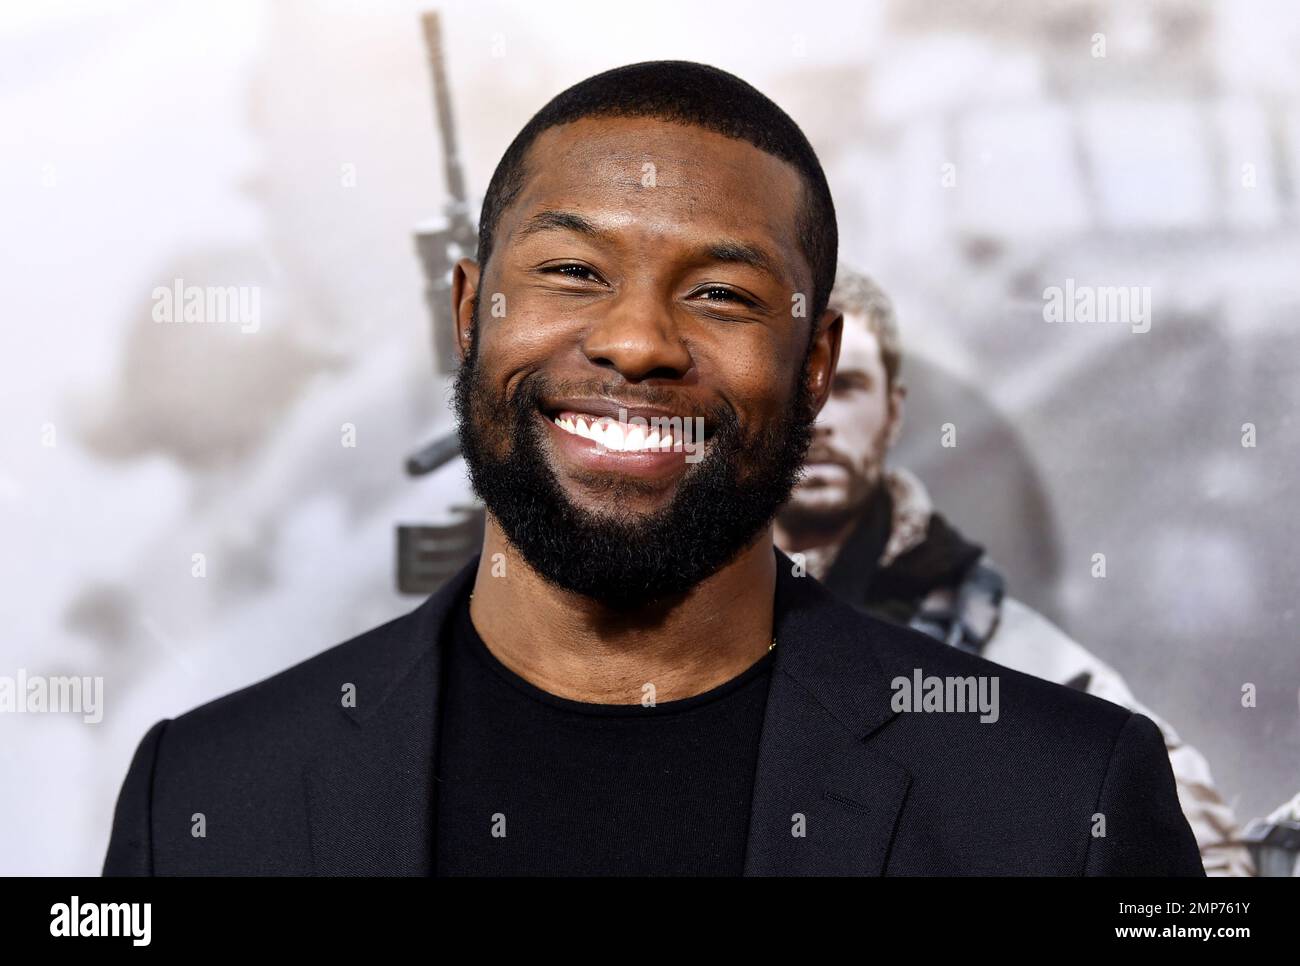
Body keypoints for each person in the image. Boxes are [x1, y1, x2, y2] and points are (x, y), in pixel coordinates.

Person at [103, 61, 1202, 876]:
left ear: (816, 364)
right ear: (465, 315)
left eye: (720, 293)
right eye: (573, 271)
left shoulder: (1064, 806)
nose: (636, 341)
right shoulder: (203, 800)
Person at [774, 266, 1253, 877]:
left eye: (849, 387)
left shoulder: (1025, 662)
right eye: (804, 384)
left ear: (894, 414)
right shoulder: (678, 625)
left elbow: (1204, 874)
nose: (824, 416)